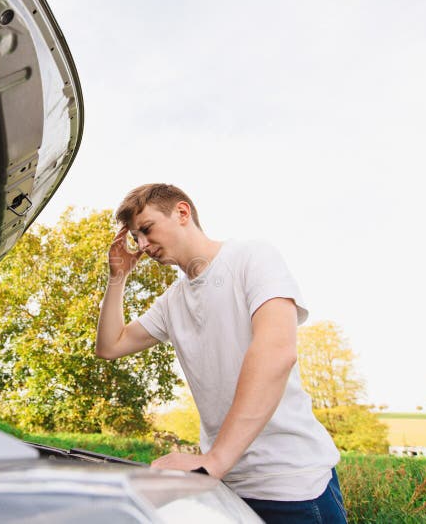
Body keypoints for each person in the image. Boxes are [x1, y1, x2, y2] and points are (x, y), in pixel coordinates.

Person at [95, 183, 347, 523]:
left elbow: (277, 353)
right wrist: (118, 277)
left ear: (182, 213)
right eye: (135, 237)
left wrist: (213, 462)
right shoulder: (172, 302)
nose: (141, 245)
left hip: (291, 486)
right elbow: (110, 345)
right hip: (226, 489)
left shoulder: (252, 257)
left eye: (147, 229)